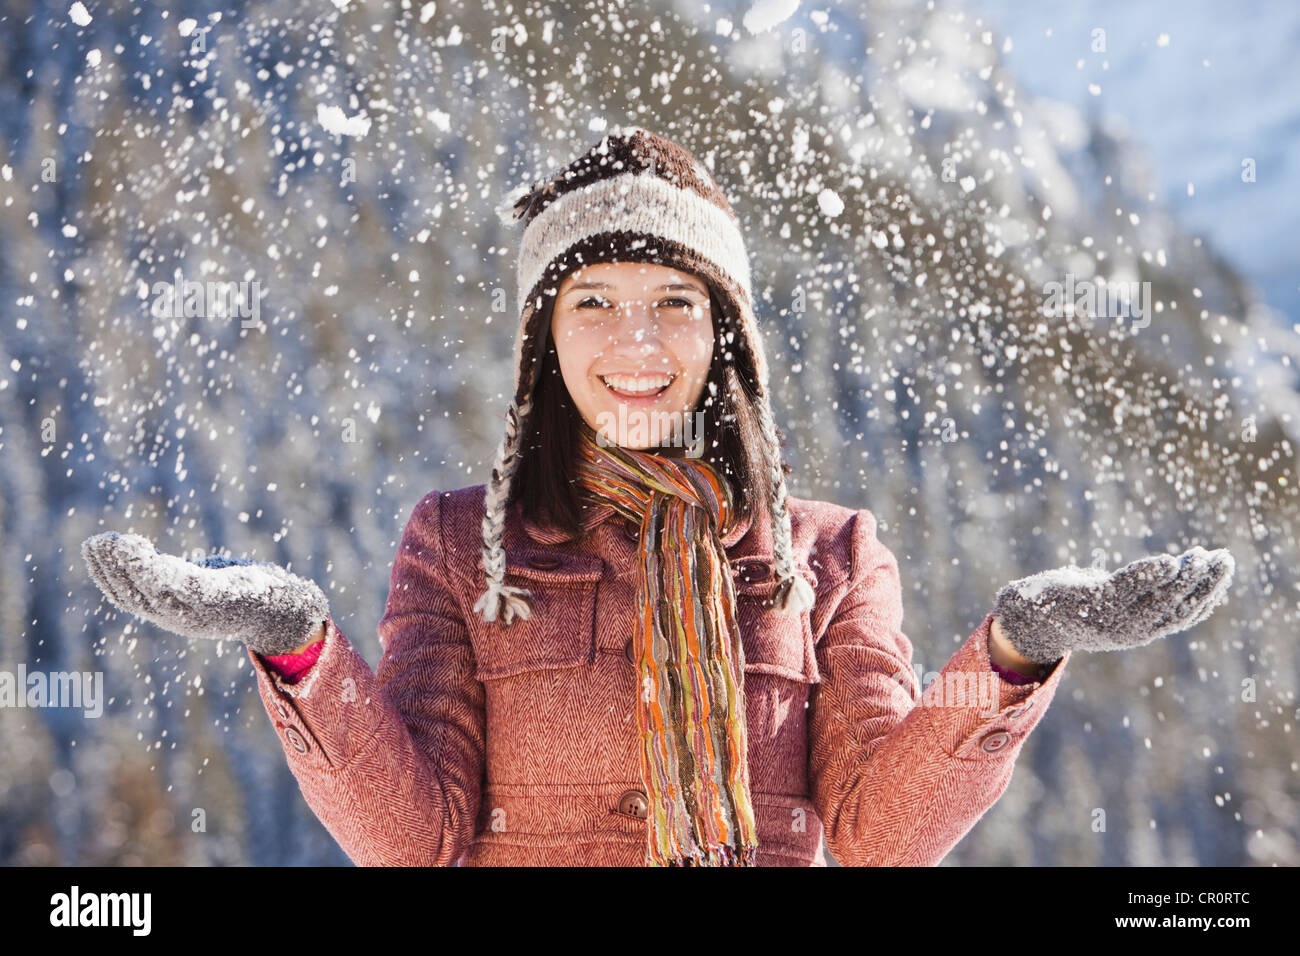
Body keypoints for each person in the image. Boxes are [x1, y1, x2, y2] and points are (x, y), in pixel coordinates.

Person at [81, 126, 1235, 867]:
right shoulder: (456, 545)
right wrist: (297, 644)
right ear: (544, 342)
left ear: (724, 336)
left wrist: (1019, 644)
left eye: (673, 301)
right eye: (592, 302)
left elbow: (881, 834)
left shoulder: (824, 555)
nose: (634, 340)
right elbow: (414, 834)